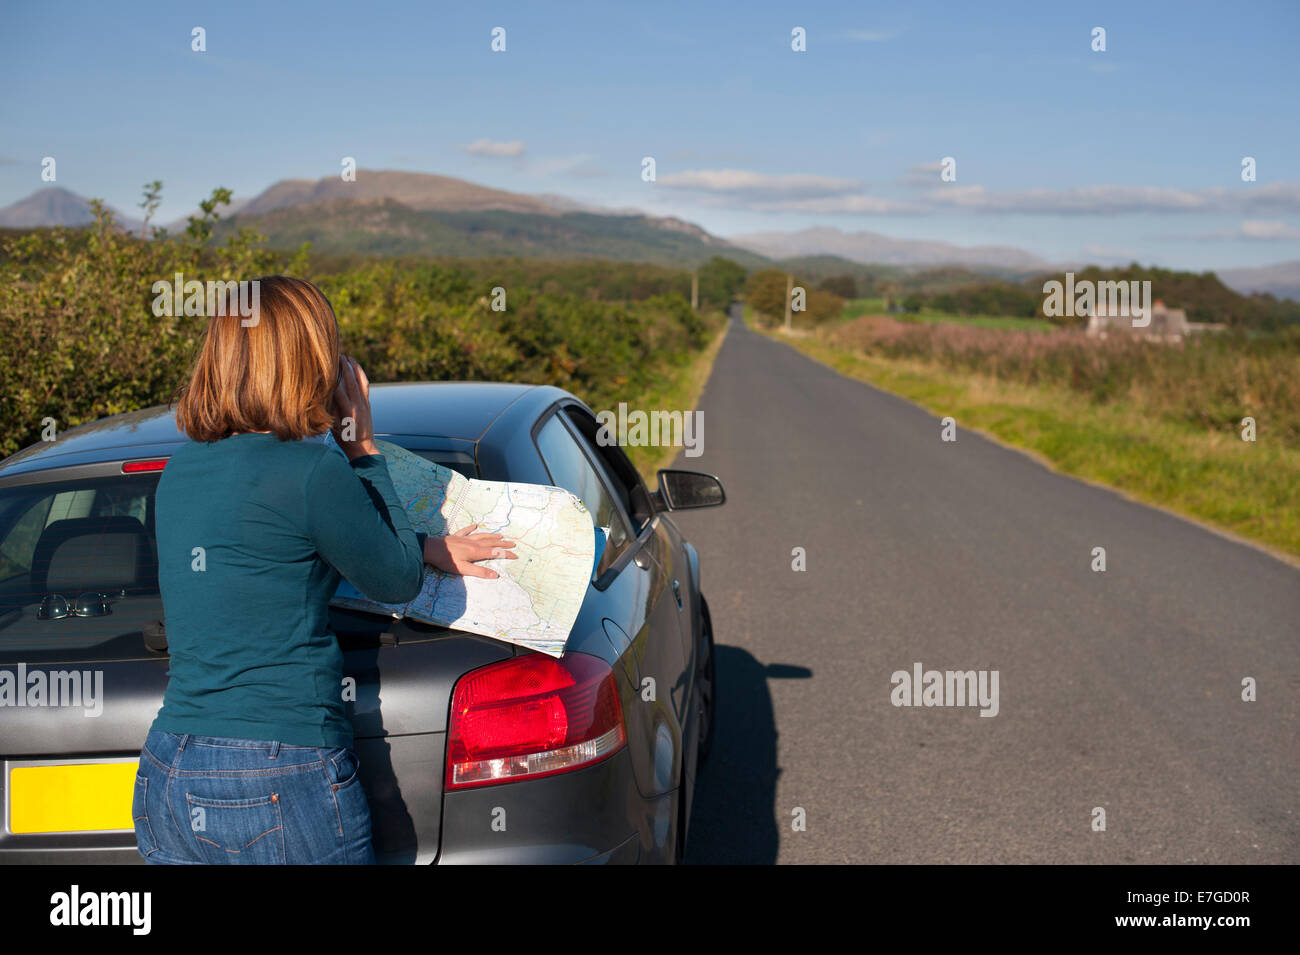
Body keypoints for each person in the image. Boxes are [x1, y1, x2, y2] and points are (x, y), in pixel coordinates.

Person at [132, 275, 514, 864]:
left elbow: (264, 557)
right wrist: (360, 440)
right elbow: (395, 582)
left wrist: (424, 543)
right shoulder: (313, 471)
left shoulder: (181, 472)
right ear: (313, 365)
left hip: (168, 770)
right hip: (276, 771)